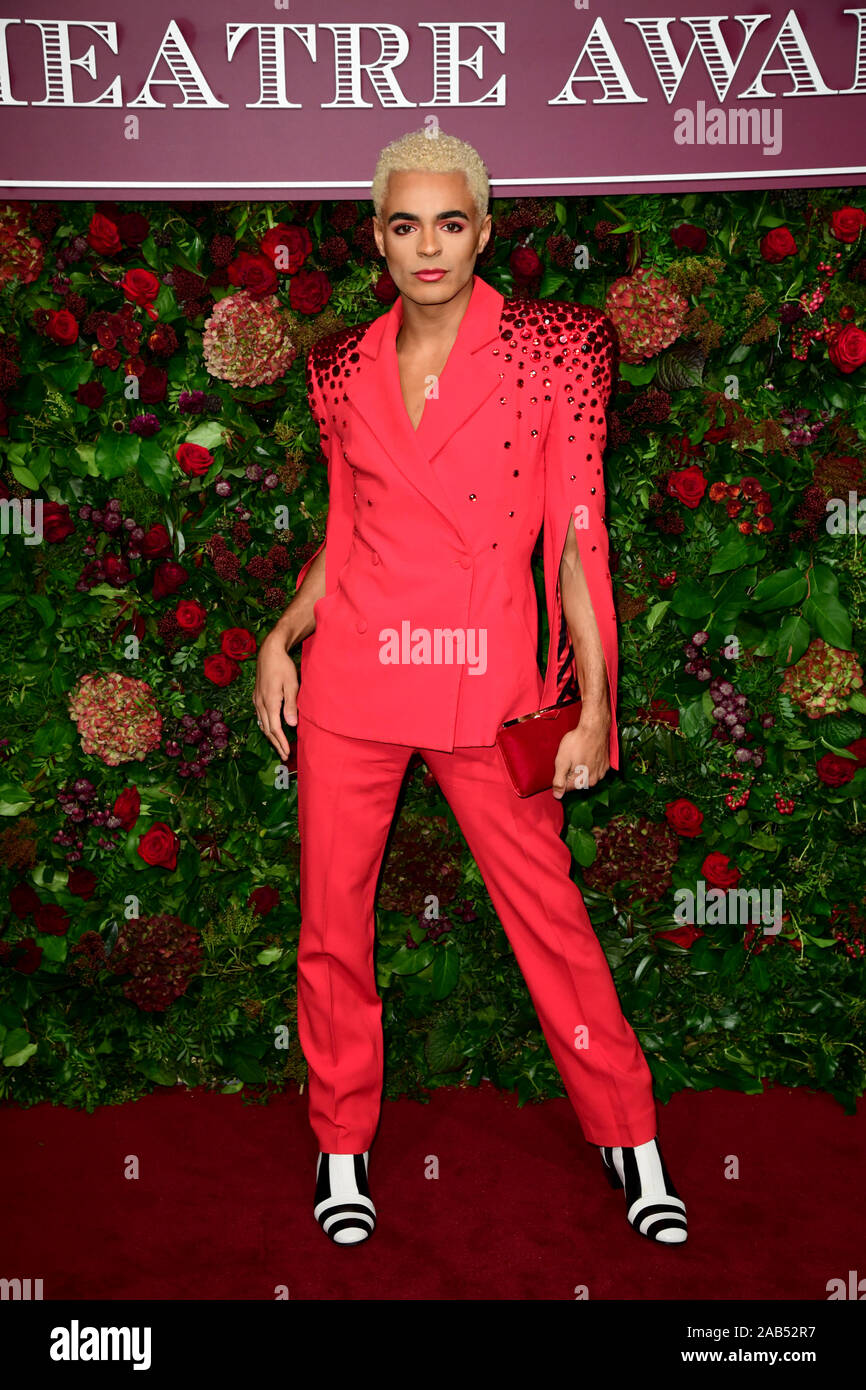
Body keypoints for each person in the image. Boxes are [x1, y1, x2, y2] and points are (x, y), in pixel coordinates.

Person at [254, 128, 687, 1248]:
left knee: (550, 917)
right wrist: (281, 633)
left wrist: (596, 703)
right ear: (379, 238)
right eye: (405, 224)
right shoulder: (338, 367)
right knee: (329, 927)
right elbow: (344, 537)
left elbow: (578, 539)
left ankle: (628, 1136)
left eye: (451, 222)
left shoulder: (557, 349)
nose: (429, 245)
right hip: (351, 677)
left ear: (485, 229)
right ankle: (340, 1145)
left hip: (486, 686)